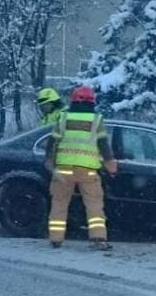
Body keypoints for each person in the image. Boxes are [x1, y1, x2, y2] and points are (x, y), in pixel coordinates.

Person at [43, 85, 117, 250]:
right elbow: (104, 145)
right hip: (88, 171)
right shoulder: (96, 120)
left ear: (73, 100)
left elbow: (52, 142)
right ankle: (98, 239)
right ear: (92, 101)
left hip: (63, 170)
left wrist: (49, 160)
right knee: (94, 205)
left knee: (59, 204)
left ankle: (56, 239)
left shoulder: (63, 118)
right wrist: (111, 165)